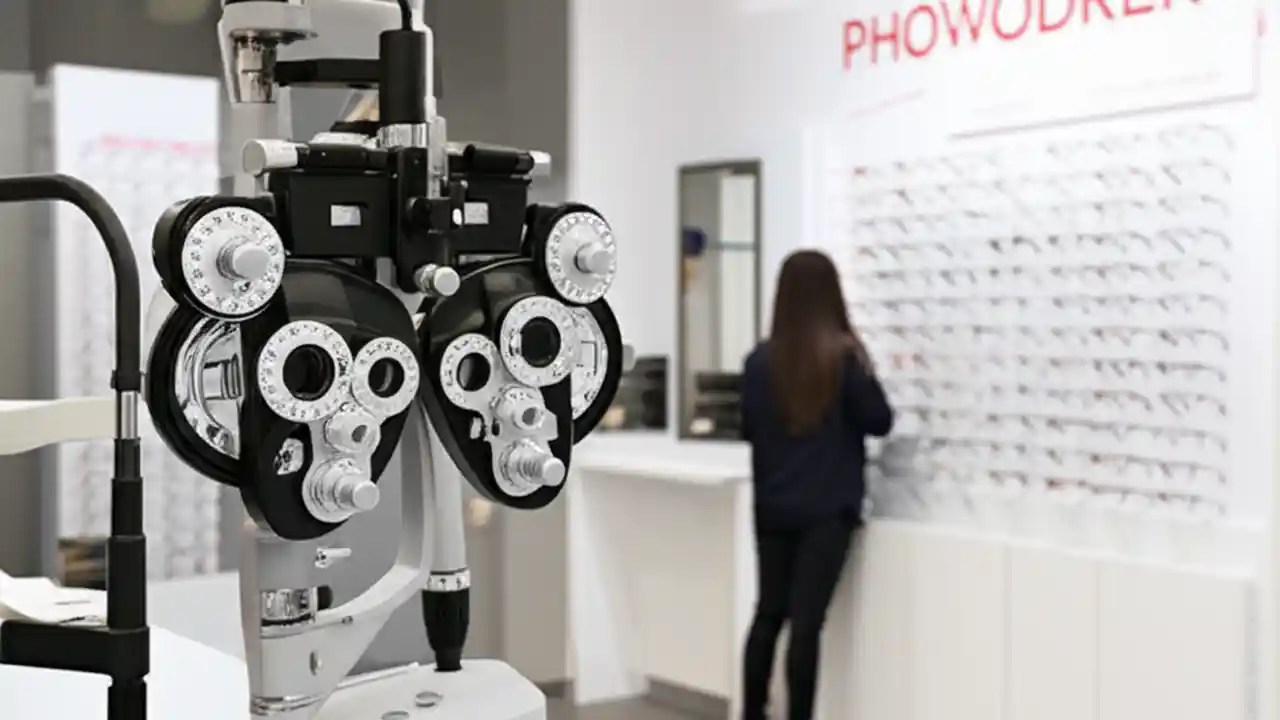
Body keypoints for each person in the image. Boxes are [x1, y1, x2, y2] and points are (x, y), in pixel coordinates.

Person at [740, 249, 893, 720]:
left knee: (769, 615)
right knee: (806, 626)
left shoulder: (759, 362)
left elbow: (748, 428)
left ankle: (753, 712)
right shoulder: (844, 360)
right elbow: (880, 420)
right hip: (827, 511)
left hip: (773, 507)